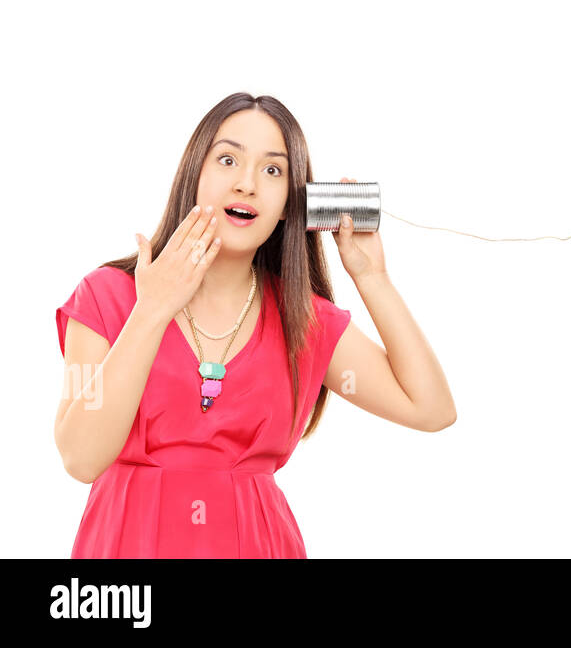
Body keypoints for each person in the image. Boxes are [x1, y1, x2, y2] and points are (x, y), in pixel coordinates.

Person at [54, 92, 456, 557]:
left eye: (272, 170)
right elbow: (80, 458)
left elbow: (432, 409)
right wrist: (152, 311)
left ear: (290, 203)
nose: (246, 184)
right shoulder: (106, 296)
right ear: (194, 176)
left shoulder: (302, 318)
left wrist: (373, 278)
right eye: (227, 159)